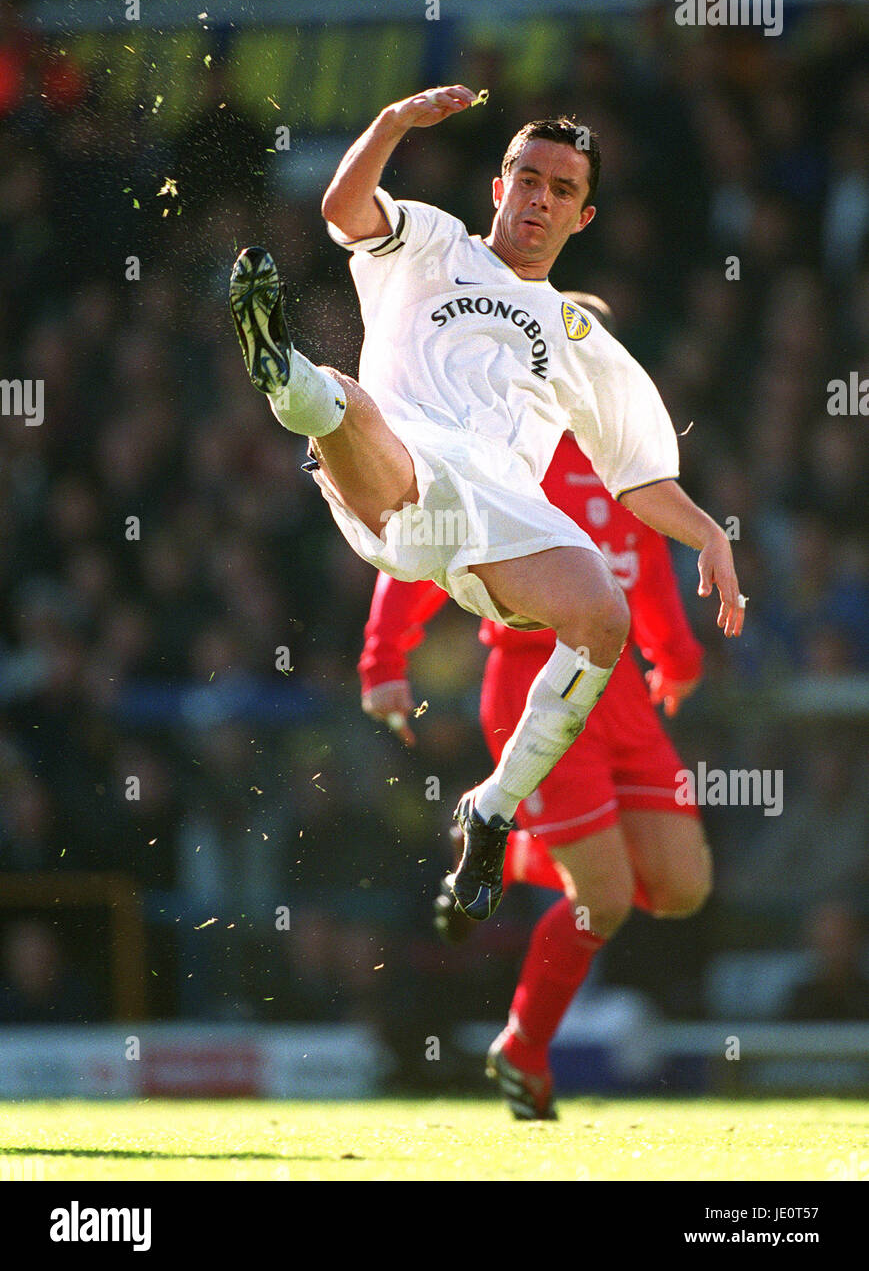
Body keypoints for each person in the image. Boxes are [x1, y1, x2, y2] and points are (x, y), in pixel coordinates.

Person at [229, 84, 744, 926]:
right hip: (407, 463)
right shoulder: (430, 240)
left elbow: (639, 475)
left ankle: (492, 808)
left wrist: (708, 538)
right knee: (352, 407)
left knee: (601, 614)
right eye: (528, 178)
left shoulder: (579, 336)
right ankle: (284, 371)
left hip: (502, 512)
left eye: (563, 188)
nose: (541, 196)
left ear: (582, 219)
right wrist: (391, 122)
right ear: (499, 189)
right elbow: (341, 207)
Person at [359, 356, 709, 1117]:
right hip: (534, 683)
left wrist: (676, 655)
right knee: (605, 899)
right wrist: (384, 656)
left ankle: (509, 850)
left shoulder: (629, 464)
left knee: (682, 888)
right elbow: (430, 538)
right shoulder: (507, 453)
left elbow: (644, 565)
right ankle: (523, 1049)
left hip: (621, 693)